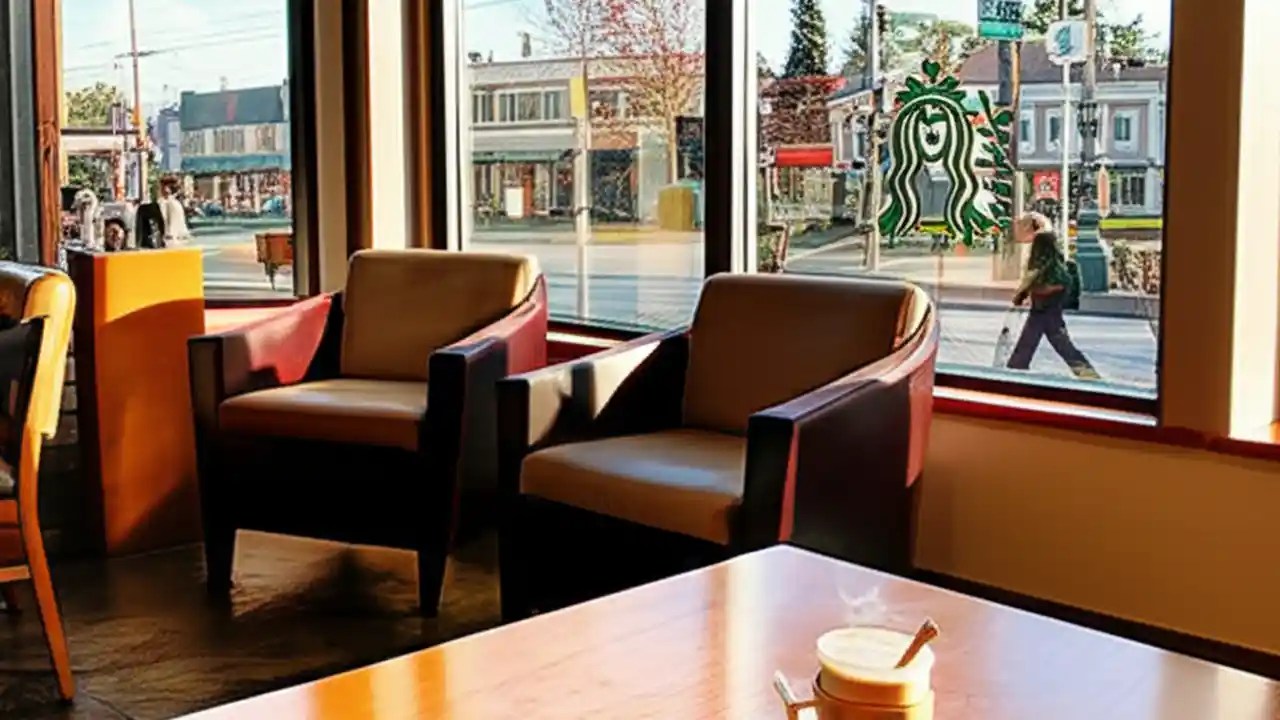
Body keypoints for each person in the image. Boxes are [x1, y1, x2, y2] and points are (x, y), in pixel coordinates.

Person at [1006, 228, 1100, 379]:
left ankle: (1087, 373)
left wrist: (1034, 291)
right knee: (1037, 344)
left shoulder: (1050, 266)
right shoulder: (1047, 264)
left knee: (1056, 345)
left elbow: (1056, 285)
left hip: (1047, 312)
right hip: (1043, 312)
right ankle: (1087, 373)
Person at [158, 177, 190, 245]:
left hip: (170, 205)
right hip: (174, 205)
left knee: (170, 219)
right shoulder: (171, 197)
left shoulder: (165, 190)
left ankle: (171, 235)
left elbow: (166, 197)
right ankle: (173, 235)